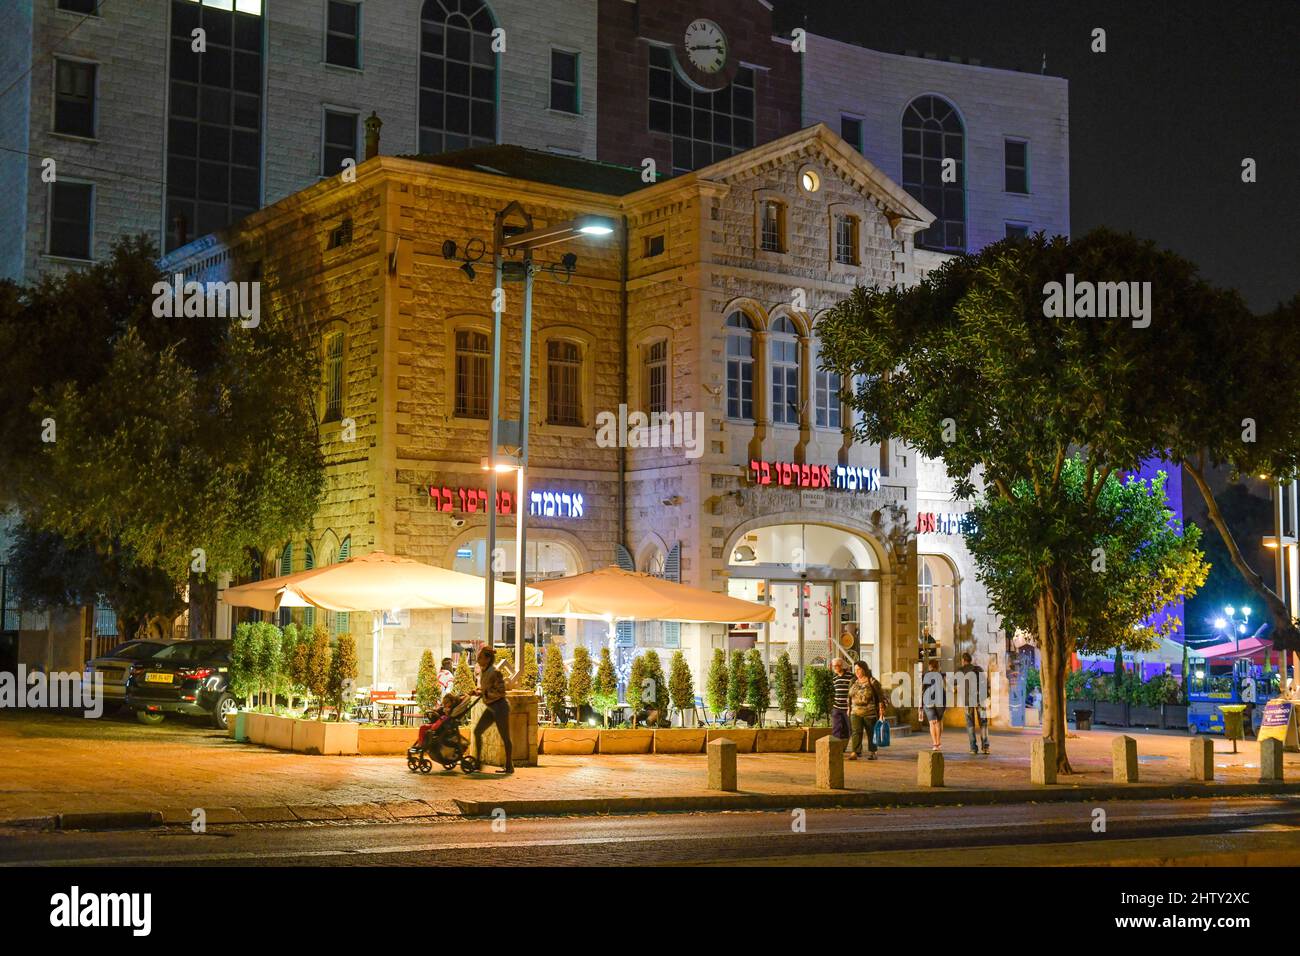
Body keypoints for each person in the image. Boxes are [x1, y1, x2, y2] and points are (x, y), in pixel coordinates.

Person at [470, 647, 514, 774]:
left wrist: (484, 693)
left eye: (481, 657)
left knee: (505, 737)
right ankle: (478, 763)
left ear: (488, 659)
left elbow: (500, 691)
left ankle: (509, 765)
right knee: (478, 731)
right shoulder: (485, 671)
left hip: (500, 707)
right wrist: (478, 692)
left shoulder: (495, 672)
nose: (478, 659)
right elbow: (488, 689)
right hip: (491, 707)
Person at [847, 660, 886, 760]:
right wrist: (848, 708)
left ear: (864, 669)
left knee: (871, 732)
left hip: (869, 712)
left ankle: (873, 752)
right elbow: (849, 696)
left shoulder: (872, 681)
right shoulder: (853, 681)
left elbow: (880, 696)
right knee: (856, 732)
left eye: (859, 669)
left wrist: (881, 709)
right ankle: (855, 752)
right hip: (855, 712)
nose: (857, 672)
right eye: (855, 670)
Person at [957, 652, 989, 755]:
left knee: (970, 725)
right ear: (970, 660)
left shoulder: (961, 671)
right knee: (983, 723)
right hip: (981, 700)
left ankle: (973, 748)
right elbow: (986, 682)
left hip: (968, 701)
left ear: (963, 660)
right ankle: (985, 747)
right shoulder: (978, 669)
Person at [922, 658, 945, 751]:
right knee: (938, 722)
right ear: (938, 666)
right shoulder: (941, 675)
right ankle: (938, 742)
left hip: (928, 701)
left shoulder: (925, 675)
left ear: (930, 666)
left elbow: (921, 689)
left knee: (932, 723)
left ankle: (935, 743)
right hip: (940, 701)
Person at [830, 658, 853, 741]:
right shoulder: (834, 678)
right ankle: (836, 748)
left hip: (848, 708)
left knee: (849, 729)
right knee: (836, 729)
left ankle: (845, 746)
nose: (835, 668)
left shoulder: (850, 676)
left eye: (836, 666)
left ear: (841, 666)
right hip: (837, 707)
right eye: (833, 666)